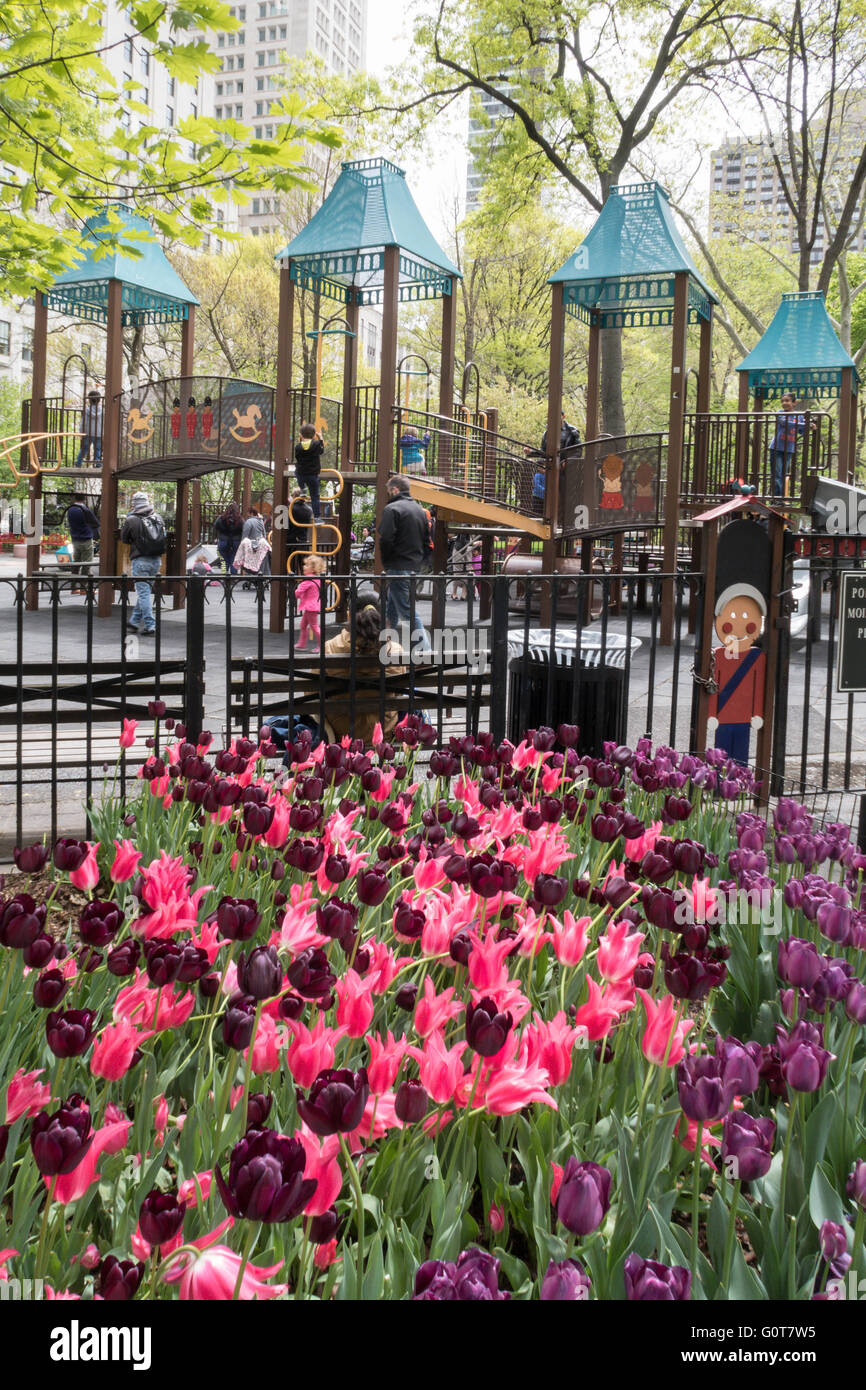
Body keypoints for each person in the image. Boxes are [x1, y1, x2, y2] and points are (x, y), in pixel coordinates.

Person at [377, 474, 431, 646]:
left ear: (395, 490)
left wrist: (386, 561)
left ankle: (426, 651)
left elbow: (385, 539)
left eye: (388, 491)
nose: (388, 494)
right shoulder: (419, 510)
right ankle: (384, 642)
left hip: (397, 564)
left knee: (407, 611)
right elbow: (425, 539)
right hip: (413, 565)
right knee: (391, 608)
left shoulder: (392, 509)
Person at [120, 491, 166, 636]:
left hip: (140, 560)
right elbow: (163, 536)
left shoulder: (131, 520)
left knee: (143, 593)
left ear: (134, 504)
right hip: (156, 560)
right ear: (147, 502)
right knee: (144, 593)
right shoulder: (158, 517)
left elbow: (124, 539)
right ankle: (133, 622)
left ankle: (150, 625)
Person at [769, 391, 806, 497]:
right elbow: (784, 423)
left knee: (783, 474)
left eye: (787, 401)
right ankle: (776, 499)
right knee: (777, 474)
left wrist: (810, 426)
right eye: (782, 401)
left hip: (789, 449)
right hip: (776, 448)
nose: (784, 403)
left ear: (794, 402)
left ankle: (781, 498)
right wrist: (804, 424)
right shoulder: (780, 413)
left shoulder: (799, 416)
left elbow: (801, 431)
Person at [64, 491, 99, 593]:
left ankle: (73, 587)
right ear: (84, 499)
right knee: (86, 564)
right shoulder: (84, 509)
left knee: (76, 564)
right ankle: (84, 588)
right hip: (86, 539)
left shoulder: (70, 510)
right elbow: (96, 523)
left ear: (74, 498)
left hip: (75, 539)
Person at [295, 553, 326, 649]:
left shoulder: (308, 581)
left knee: (314, 627)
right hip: (313, 606)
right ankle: (302, 644)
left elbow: (298, 593)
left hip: (310, 607)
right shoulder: (317, 579)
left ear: (313, 569)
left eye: (307, 565)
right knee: (303, 625)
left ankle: (322, 646)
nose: (304, 566)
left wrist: (296, 591)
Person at [295, 422, 324, 518]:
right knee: (315, 496)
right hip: (312, 475)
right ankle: (317, 517)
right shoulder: (316, 444)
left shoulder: (298, 447)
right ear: (314, 435)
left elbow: (298, 458)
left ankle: (303, 489)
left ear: (301, 435)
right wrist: (320, 438)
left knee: (296, 471)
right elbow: (321, 451)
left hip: (301, 475)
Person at [75, 391, 103, 468]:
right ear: (99, 400)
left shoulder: (87, 410)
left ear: (89, 400)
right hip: (99, 433)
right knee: (98, 449)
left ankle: (78, 463)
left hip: (88, 432)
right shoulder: (102, 410)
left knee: (84, 448)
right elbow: (104, 422)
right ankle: (98, 464)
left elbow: (83, 422)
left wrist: (81, 431)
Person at [214, 502, 243, 573]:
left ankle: (224, 577)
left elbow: (215, 525)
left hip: (223, 541)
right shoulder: (239, 519)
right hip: (236, 542)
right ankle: (233, 579)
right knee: (234, 560)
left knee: (224, 561)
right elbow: (243, 528)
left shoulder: (221, 518)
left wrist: (222, 532)